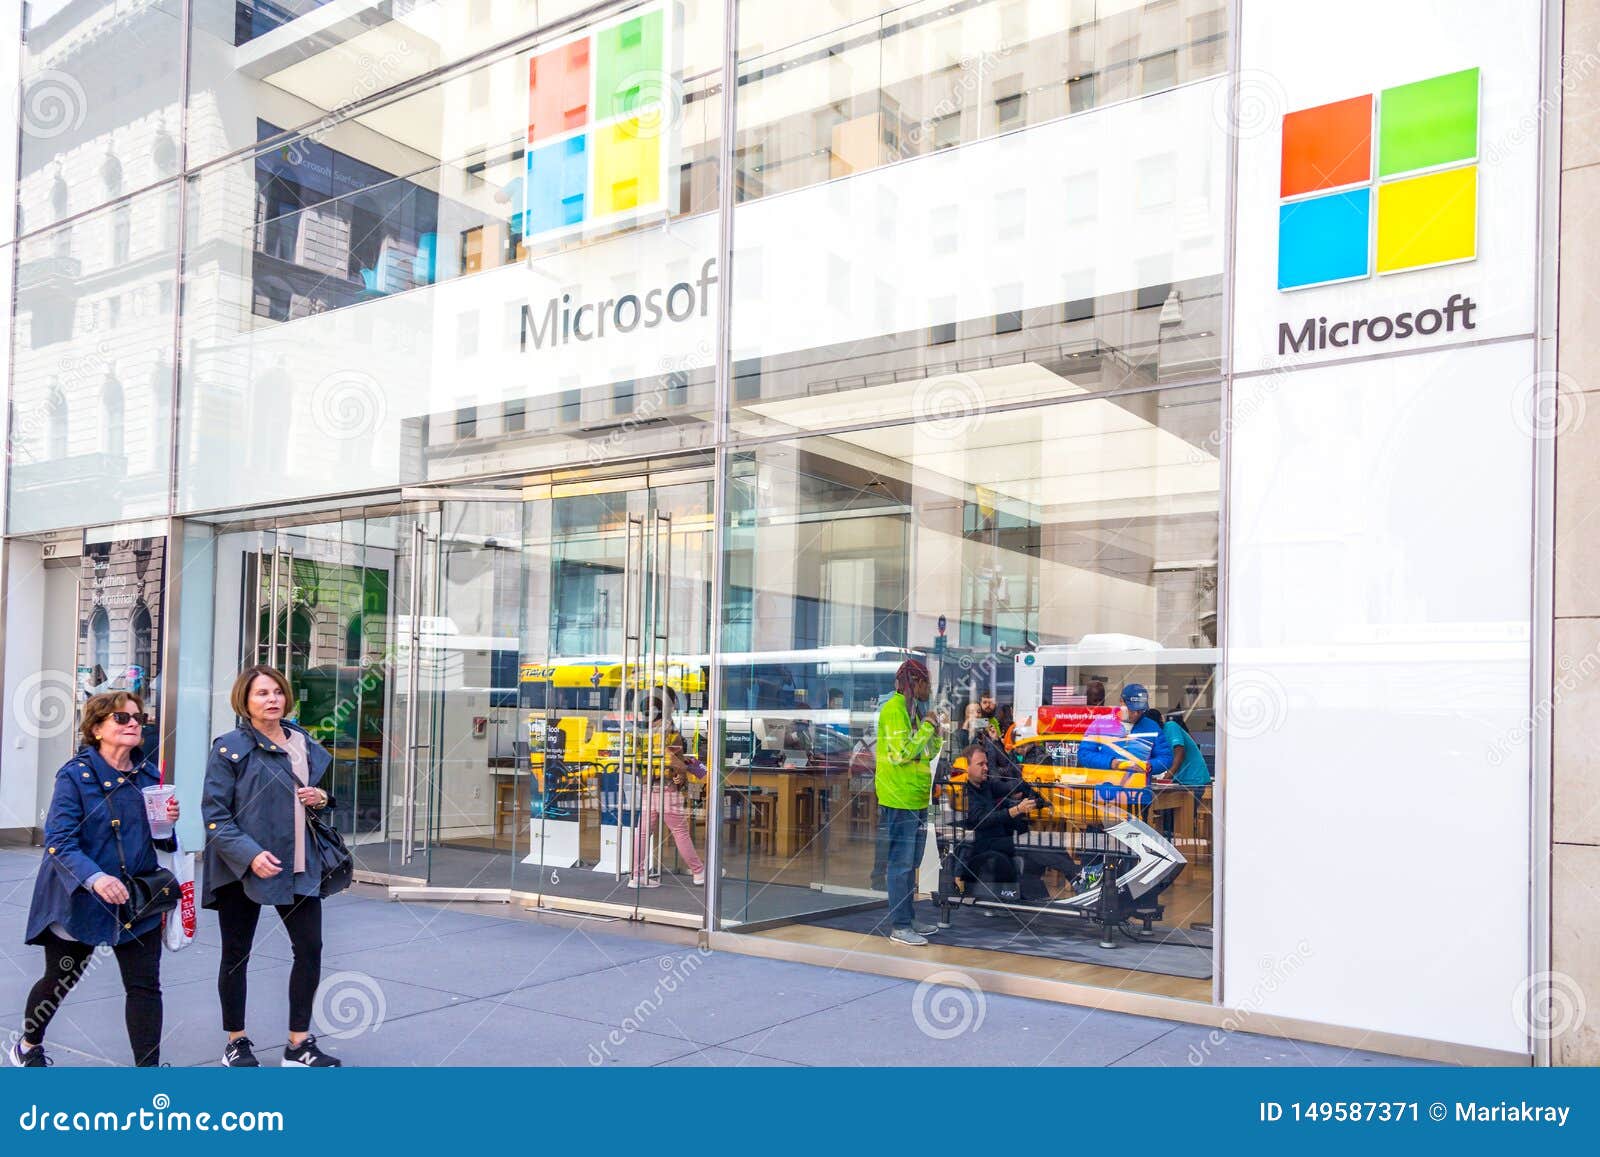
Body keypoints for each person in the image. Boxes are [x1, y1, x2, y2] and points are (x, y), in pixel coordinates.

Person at [14, 692, 179, 1067]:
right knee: (59, 980)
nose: (134, 723)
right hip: (81, 898)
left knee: (144, 987)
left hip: (137, 898)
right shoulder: (75, 776)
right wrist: (96, 878)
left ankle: (149, 1072)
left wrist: (167, 822)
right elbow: (60, 840)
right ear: (97, 728)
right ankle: (28, 1045)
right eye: (122, 717)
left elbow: (160, 840)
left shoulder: (149, 775)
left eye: (139, 717)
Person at [203, 665, 343, 1068]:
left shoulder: (302, 741)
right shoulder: (229, 747)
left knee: (310, 949)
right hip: (240, 867)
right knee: (236, 954)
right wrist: (250, 855)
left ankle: (298, 1044)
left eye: (278, 692)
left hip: (297, 863)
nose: (272, 699)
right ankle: (236, 1040)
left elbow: (314, 799)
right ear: (244, 701)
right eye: (262, 693)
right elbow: (214, 815)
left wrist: (322, 797)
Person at [873, 658, 945, 946]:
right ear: (915, 682)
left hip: (916, 798)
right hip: (899, 798)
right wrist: (927, 729)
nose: (930, 688)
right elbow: (902, 753)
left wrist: (936, 733)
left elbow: (925, 754)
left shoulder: (915, 712)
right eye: (927, 682)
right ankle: (900, 926)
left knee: (911, 862)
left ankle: (909, 918)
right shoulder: (894, 709)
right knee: (900, 864)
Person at [630, 689, 706, 887]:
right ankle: (699, 872)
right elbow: (670, 757)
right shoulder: (669, 729)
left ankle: (636, 875)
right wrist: (684, 767)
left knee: (643, 832)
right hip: (666, 788)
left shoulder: (643, 729)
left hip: (648, 786)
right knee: (680, 831)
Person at [1079, 683, 1173, 782]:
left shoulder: (1152, 727)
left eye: (1140, 710)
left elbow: (1166, 757)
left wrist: (1149, 766)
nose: (1136, 714)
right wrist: (1110, 762)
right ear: (1121, 702)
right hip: (1106, 790)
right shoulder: (1101, 724)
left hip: (1140, 792)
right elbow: (1084, 754)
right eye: (1132, 710)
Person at [1157, 711, 1212, 788]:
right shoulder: (1159, 735)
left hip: (1193, 780)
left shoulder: (1171, 726)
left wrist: (1167, 776)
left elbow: (1180, 752)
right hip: (1179, 780)